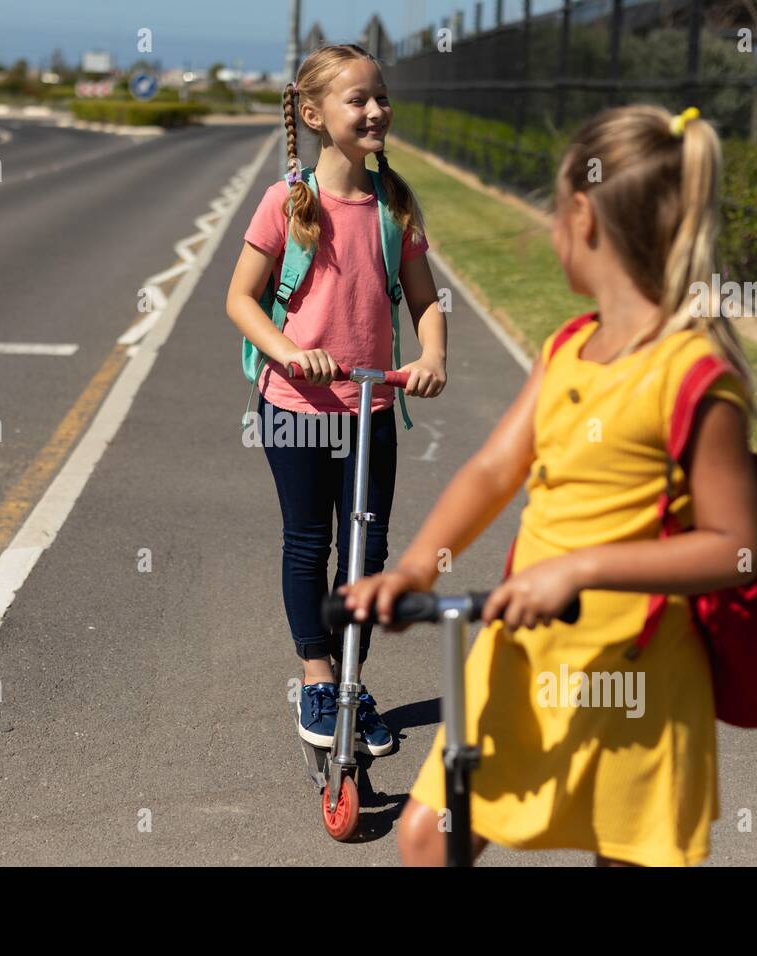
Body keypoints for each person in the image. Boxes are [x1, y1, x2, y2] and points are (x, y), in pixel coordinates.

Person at [338, 104, 757, 865]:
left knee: (624, 856)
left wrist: (581, 567)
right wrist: (407, 569)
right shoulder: (568, 346)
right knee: (430, 838)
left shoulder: (694, 374)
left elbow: (736, 549)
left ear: (582, 215)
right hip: (522, 659)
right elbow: (494, 470)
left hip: (636, 679)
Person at [225, 44, 448, 756]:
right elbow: (239, 300)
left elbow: (425, 301)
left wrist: (433, 353)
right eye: (359, 100)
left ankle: (352, 681)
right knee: (309, 542)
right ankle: (318, 678)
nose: (376, 110)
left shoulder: (394, 205)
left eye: (381, 96)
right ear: (316, 115)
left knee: (368, 551)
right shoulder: (288, 204)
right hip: (294, 405)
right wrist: (291, 353)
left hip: (371, 408)